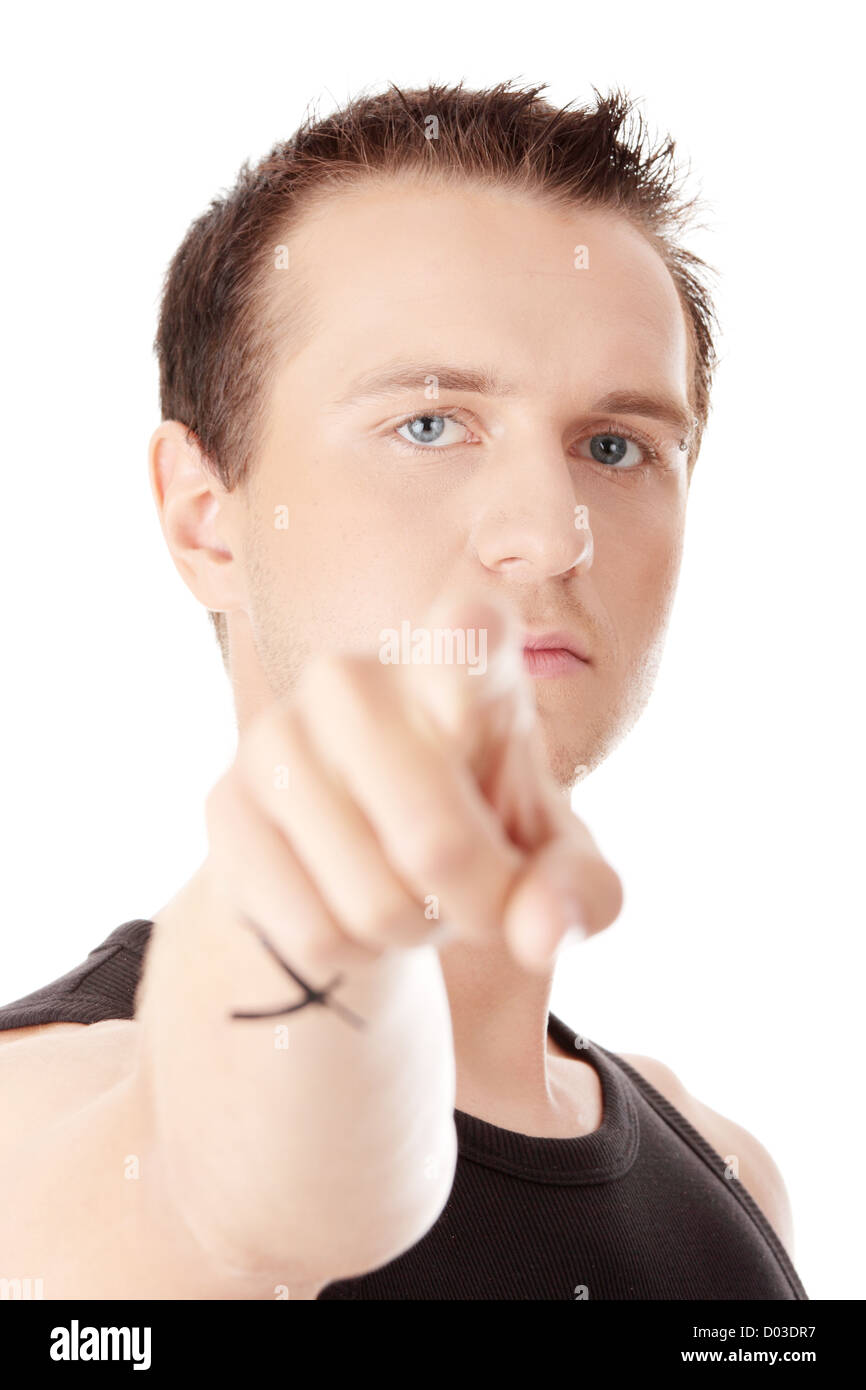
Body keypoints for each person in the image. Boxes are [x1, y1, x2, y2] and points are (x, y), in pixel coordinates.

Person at [0, 80, 808, 1300]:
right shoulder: (41, 1124)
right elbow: (240, 1192)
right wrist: (296, 945)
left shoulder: (734, 1174)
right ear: (206, 517)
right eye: (431, 424)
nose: (548, 534)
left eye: (613, 446)